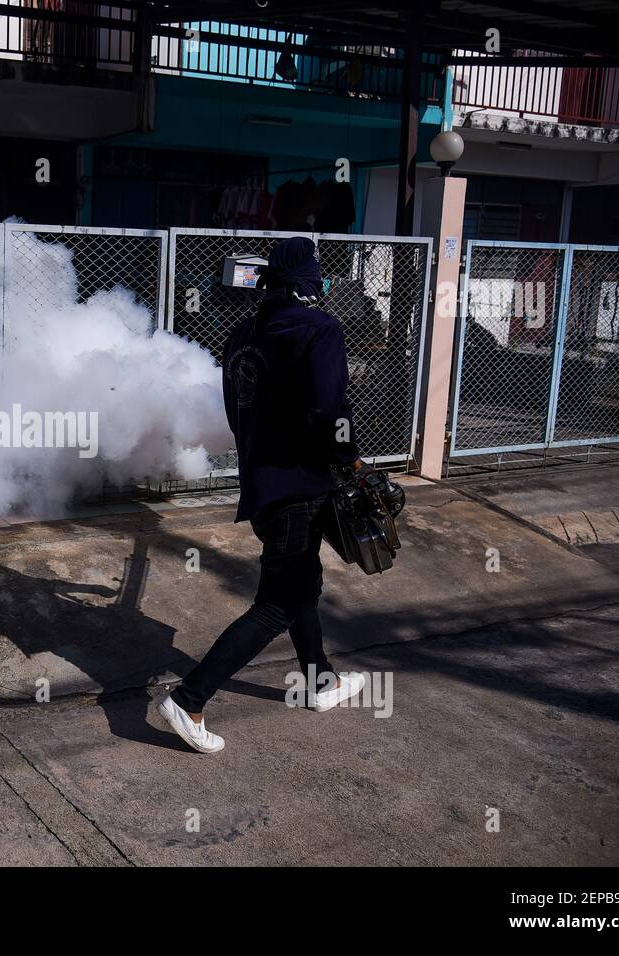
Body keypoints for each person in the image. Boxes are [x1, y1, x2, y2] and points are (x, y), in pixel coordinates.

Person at [158, 236, 367, 754]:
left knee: (302, 586)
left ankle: (320, 682)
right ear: (309, 278)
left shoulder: (242, 333)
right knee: (277, 605)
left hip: (261, 485)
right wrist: (349, 458)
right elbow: (330, 410)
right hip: (300, 485)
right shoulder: (319, 329)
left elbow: (236, 412)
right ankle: (189, 699)